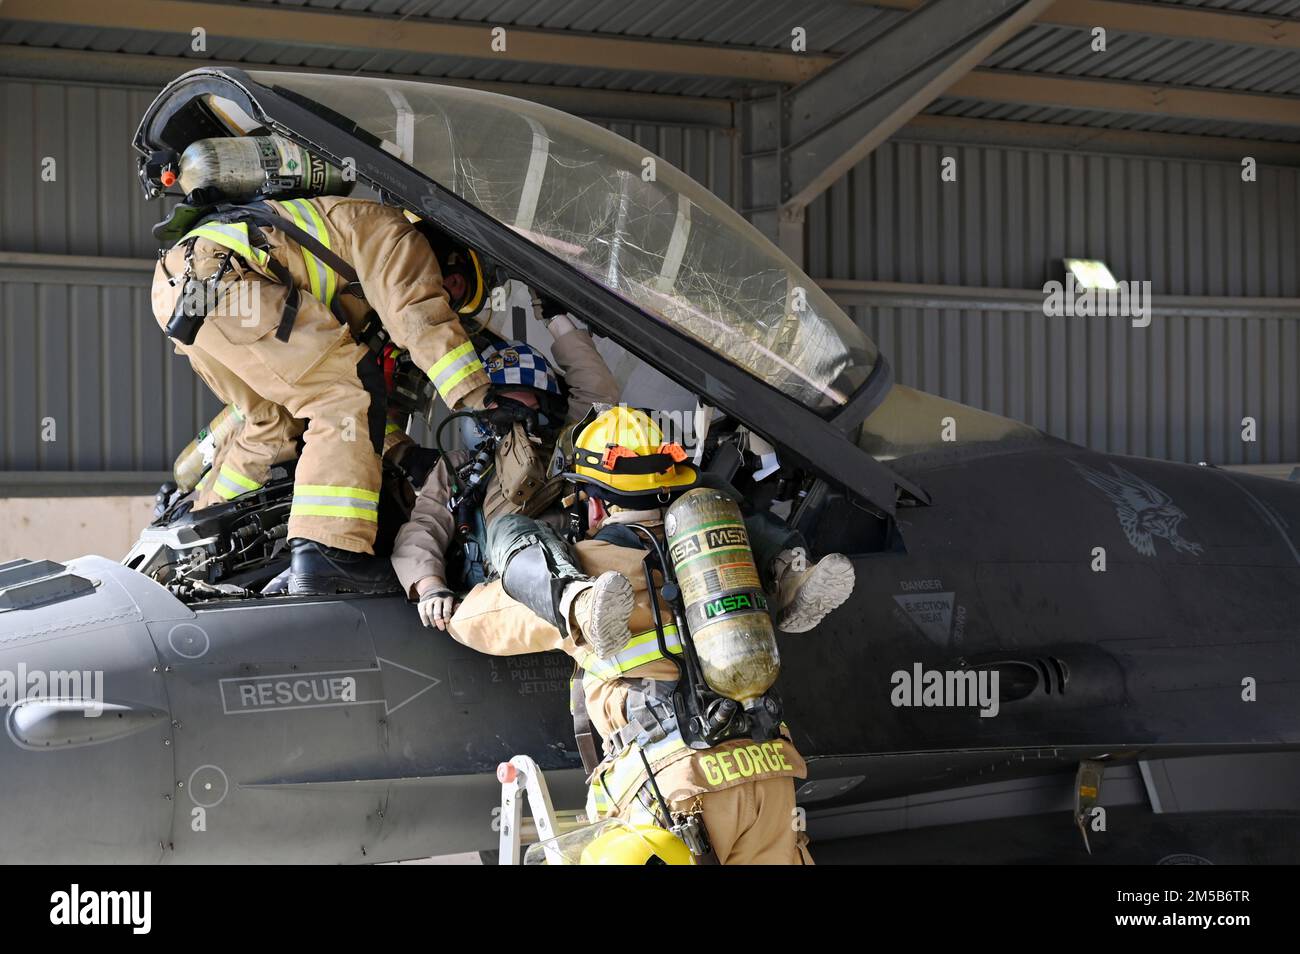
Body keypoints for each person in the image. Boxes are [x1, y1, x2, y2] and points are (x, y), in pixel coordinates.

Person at [445, 405, 856, 864]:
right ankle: (792, 572)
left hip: (674, 785)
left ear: (594, 501)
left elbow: (476, 623)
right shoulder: (726, 552)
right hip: (766, 768)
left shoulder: (590, 564)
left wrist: (442, 590)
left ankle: (571, 602)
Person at [149, 154, 491, 594]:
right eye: (456, 287)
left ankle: (201, 530)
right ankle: (330, 555)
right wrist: (479, 397)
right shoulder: (398, 236)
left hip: (181, 287)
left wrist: (404, 454)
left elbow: (354, 419)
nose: (446, 294)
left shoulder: (360, 278)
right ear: (450, 254)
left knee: (270, 422)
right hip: (227, 279)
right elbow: (416, 317)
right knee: (343, 394)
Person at [391, 310, 626, 635]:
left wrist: (555, 317)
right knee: (506, 527)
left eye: (508, 394)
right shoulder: (459, 466)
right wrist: (431, 587)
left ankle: (578, 599)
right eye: (491, 398)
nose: (494, 407)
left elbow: (598, 393)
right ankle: (574, 600)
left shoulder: (567, 442)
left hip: (585, 573)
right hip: (497, 596)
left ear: (541, 398)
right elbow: (423, 527)